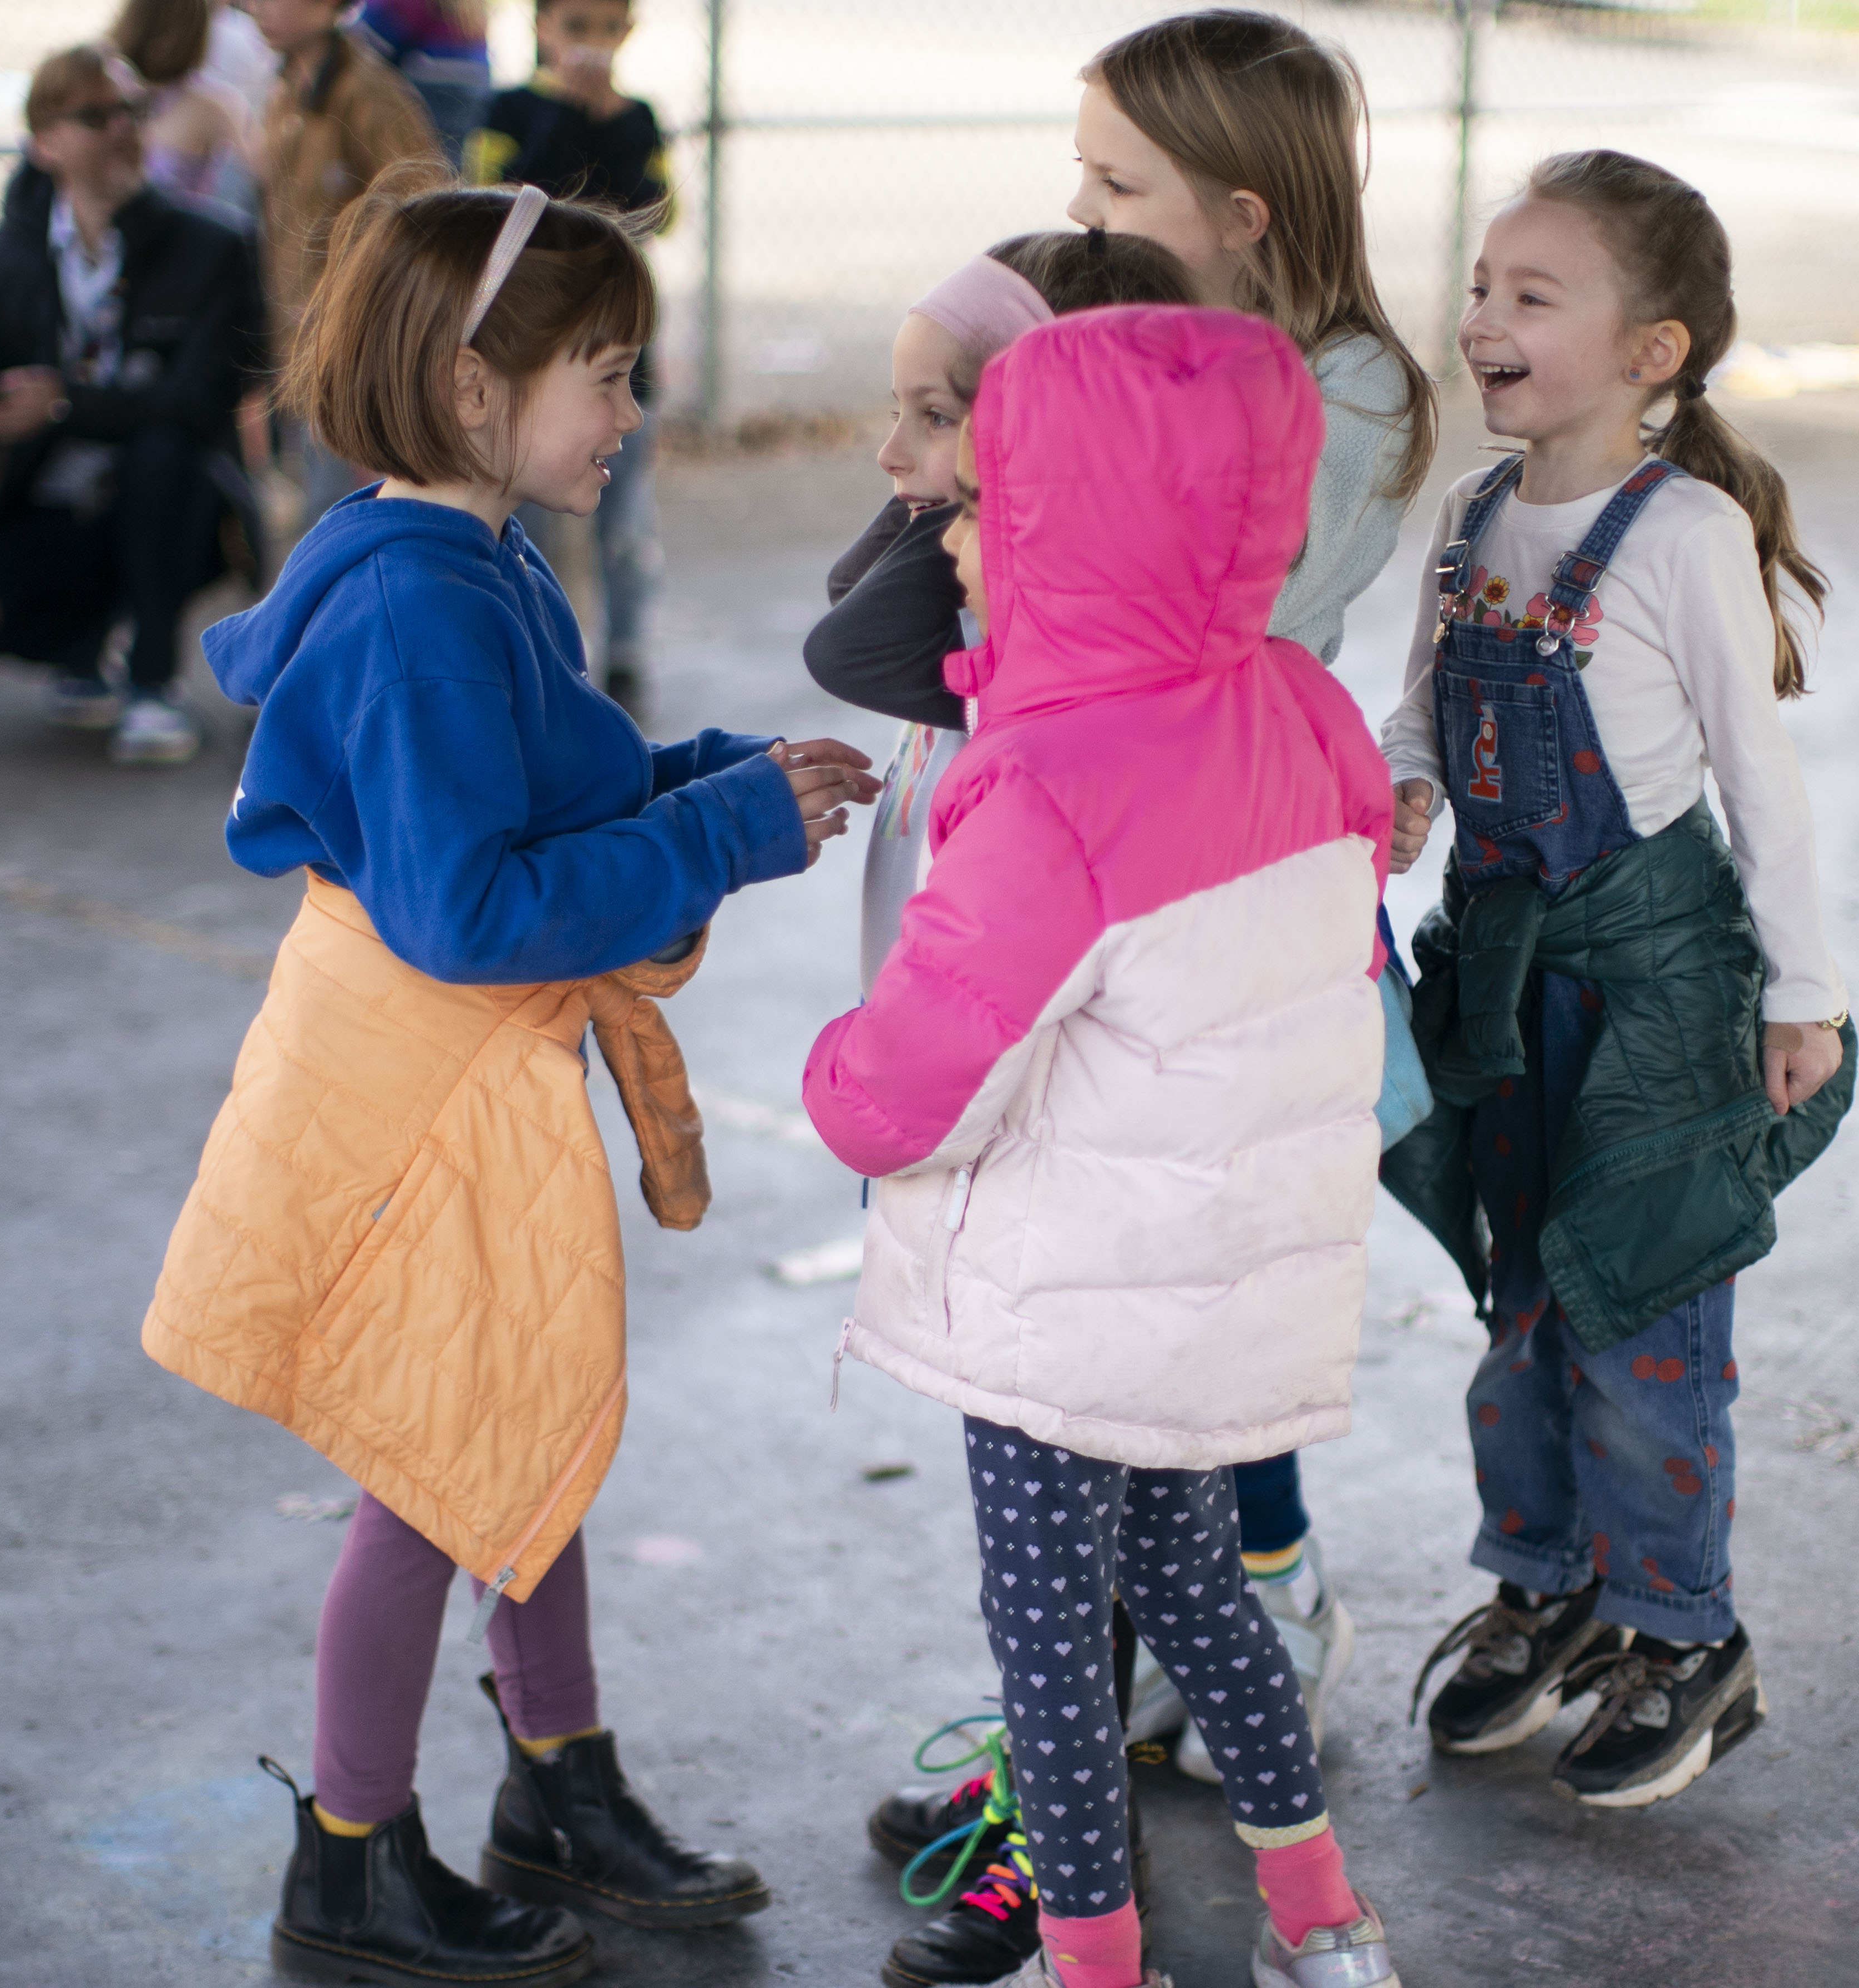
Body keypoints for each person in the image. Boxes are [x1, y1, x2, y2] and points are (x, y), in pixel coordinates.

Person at [136, 167, 876, 1985]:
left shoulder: (468, 559)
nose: (634, 414)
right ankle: (349, 1852)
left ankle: (558, 1781)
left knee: (509, 1430)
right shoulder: (420, 606)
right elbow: (473, 905)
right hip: (415, 1096)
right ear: (479, 392)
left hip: (458, 1089)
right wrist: (720, 830)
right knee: (435, 1468)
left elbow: (555, 777)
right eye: (608, 376)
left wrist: (724, 771)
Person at [804, 303, 1399, 1988]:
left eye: (985, 505)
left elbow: (917, 1077)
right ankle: (1322, 1928)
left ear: (1066, 529)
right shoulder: (1297, 708)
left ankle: (1093, 1963)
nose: (956, 537)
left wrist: (831, 1074)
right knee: (1203, 1599)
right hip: (1220, 1289)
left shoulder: (1048, 782)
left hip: (1070, 1307)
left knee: (1050, 1650)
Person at [1384, 150, 1858, 1809]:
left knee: (1642, 1315)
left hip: (1656, 992)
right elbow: (1419, 713)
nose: (1482, 319)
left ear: (1652, 350)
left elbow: (1757, 781)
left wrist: (1796, 994)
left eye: (1531, 293)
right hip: (1503, 976)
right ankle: (1545, 1584)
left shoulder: (1685, 534)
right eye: (1478, 288)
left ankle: (1679, 1631)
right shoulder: (1470, 519)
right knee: (1518, 1307)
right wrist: (1403, 794)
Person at [1060, 4, 1437, 1787]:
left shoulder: (1339, 393)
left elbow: (1196, 590)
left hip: (1247, 874)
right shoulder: (1128, 335)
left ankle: (1265, 1600)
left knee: (1221, 1280)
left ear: (1243, 208)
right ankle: (1141, 1633)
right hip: (1127, 862)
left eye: (1118, 179)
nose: (1082, 204)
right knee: (1120, 1266)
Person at [806, 230, 1196, 997]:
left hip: (976, 1054)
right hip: (922, 1024)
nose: (889, 450)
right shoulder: (963, 589)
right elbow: (848, 587)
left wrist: (1014, 465)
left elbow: (843, 647)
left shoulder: (1050, 643)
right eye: (898, 410)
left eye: (936, 417)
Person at [0, 42, 261, 767]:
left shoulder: (209, 245)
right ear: (45, 144)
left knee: (161, 452)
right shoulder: (2, 261)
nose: (123, 130)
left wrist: (64, 406)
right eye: (96, 117)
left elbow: (198, 403)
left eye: (131, 111)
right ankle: (80, 650)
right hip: (55, 507)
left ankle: (154, 678)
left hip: (182, 508)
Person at [465, 0, 673, 709]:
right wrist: (564, 112)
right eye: (575, 27)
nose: (591, 45)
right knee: (539, 514)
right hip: (537, 352)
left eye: (607, 29)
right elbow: (502, 197)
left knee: (623, 517)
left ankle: (625, 653)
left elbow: (656, 209)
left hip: (617, 349)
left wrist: (606, 115)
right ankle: (547, 648)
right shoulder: (511, 108)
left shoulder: (637, 116)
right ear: (542, 28)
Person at [249, 0, 438, 519]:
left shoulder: (369, 92)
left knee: (341, 511)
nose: (255, 9)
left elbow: (422, 209)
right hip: (296, 339)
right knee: (311, 501)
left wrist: (356, 303)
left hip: (353, 341)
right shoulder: (284, 88)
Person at [110, 0, 258, 233]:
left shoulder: (215, 107)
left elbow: (255, 185)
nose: (165, 42)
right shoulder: (106, 95)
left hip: (179, 248)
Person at [352, 0, 497, 161]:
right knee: (449, 159)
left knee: (416, 159)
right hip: (473, 85)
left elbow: (361, 46)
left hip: (430, 85)